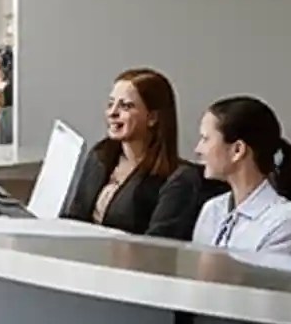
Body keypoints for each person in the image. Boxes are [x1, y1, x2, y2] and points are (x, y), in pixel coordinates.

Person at [61, 68, 203, 238]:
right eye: (110, 104)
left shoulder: (178, 179)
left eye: (126, 106)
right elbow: (75, 218)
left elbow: (159, 244)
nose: (112, 113)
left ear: (152, 117)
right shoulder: (101, 155)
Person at [192, 96, 291, 257]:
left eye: (205, 139)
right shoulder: (212, 210)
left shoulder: (287, 221)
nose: (198, 149)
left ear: (237, 150)